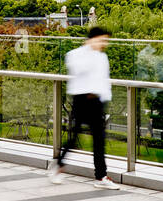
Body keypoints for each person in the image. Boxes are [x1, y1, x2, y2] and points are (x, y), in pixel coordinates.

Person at [48, 26, 119, 188]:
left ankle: (101, 176)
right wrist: (89, 50)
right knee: (73, 139)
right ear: (91, 39)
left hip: (97, 102)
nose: (103, 43)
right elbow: (78, 69)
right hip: (81, 100)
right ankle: (58, 165)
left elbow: (103, 80)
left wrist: (105, 101)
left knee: (99, 141)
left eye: (105, 40)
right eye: (101, 39)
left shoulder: (103, 57)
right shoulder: (76, 54)